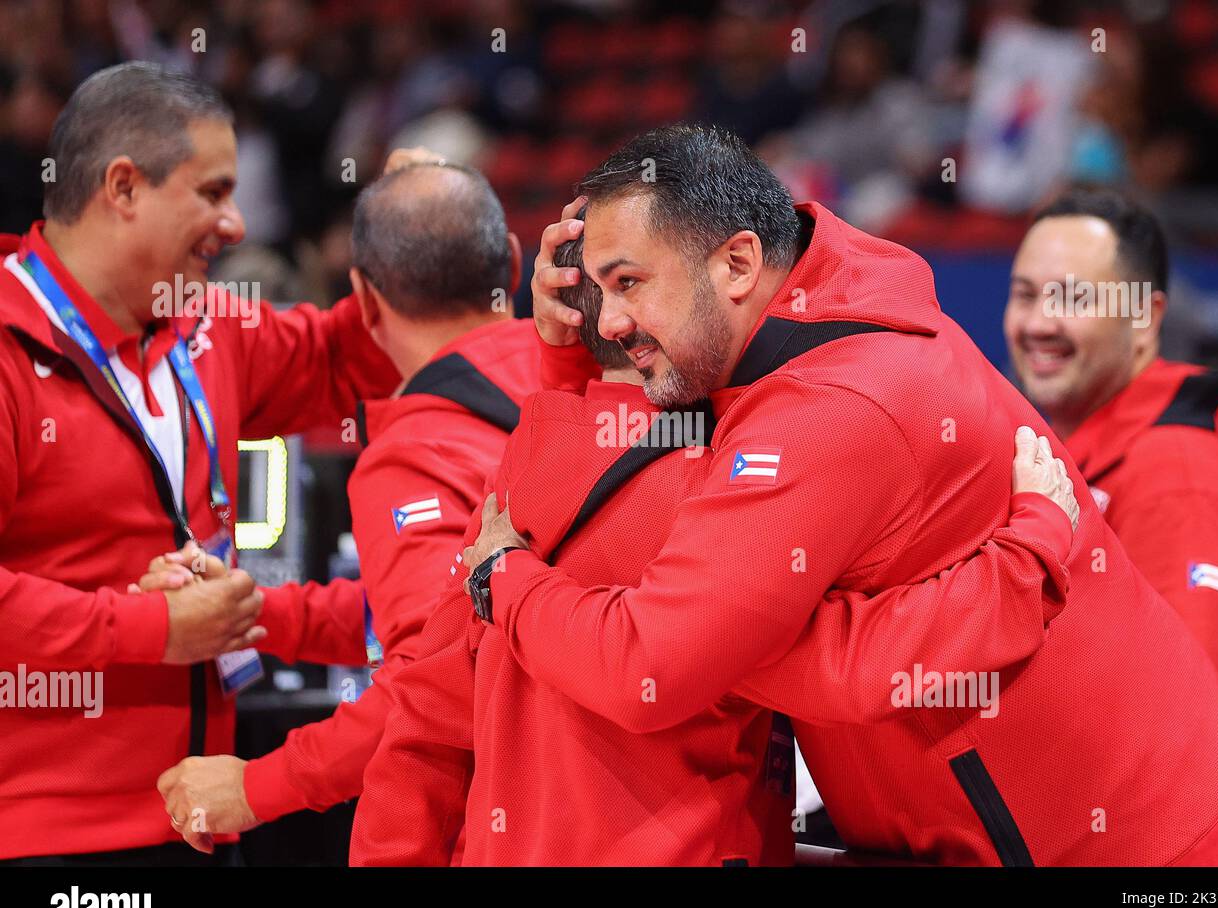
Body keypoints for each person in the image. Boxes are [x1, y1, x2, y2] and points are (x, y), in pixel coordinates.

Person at [465, 124, 1218, 865]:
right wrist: (574, 355)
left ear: (741, 263)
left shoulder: (831, 409)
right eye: (597, 291)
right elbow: (767, 631)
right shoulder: (817, 312)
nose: (607, 320)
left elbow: (649, 662)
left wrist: (499, 581)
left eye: (628, 282)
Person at [350, 223, 1080, 866]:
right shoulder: (725, 489)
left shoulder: (511, 488)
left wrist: (561, 363)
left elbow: (423, 725)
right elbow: (857, 667)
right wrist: (1031, 555)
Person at [0, 62, 402, 864]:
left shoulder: (205, 325)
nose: (237, 223)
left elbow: (349, 354)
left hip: (203, 813)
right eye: (213, 192)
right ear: (123, 188)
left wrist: (438, 252)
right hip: (51, 841)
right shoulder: (9, 351)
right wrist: (150, 629)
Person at [148, 158, 541, 853]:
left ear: (360, 299)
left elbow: (437, 683)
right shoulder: (592, 381)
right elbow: (461, 613)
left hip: (488, 827)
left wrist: (256, 787)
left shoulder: (414, 452)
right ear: (510, 262)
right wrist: (259, 612)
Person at [1004, 186, 1218, 776]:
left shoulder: (1182, 476)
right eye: (1025, 295)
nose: (1037, 323)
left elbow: (1185, 732)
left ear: (1145, 317)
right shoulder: (1077, 460)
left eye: (1072, 297)